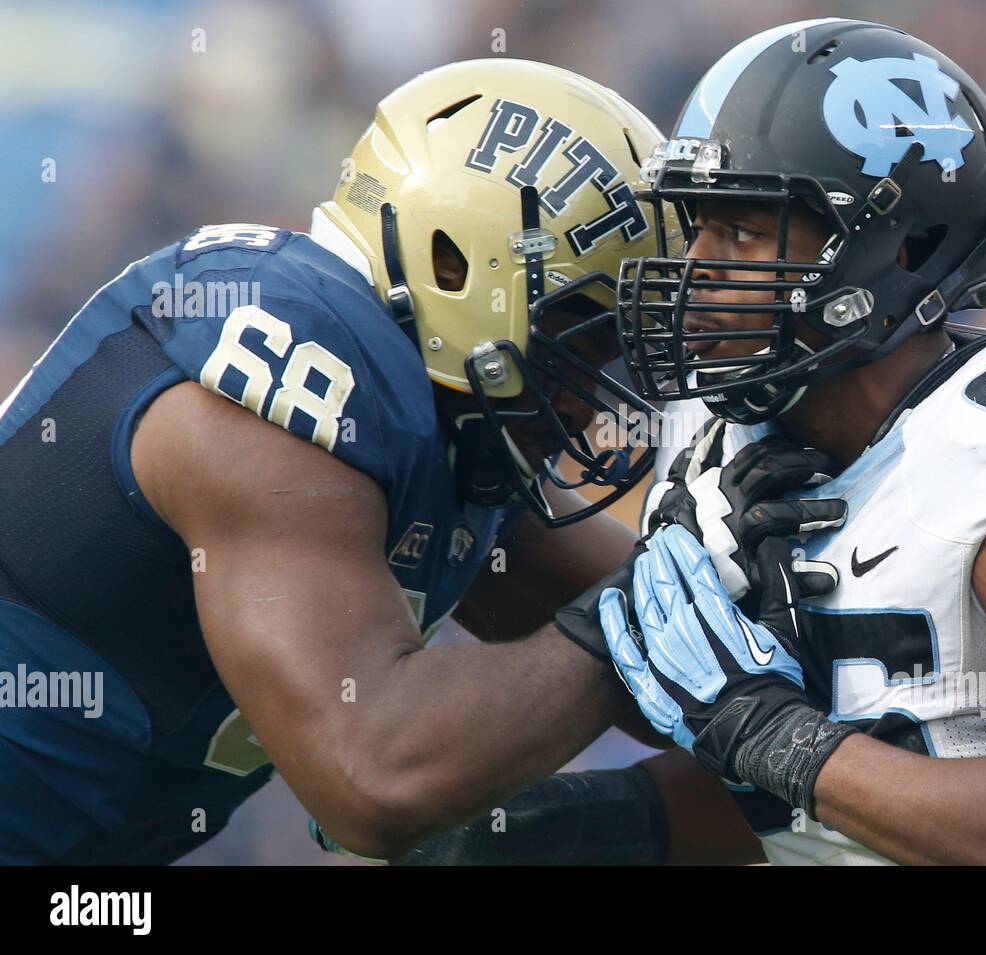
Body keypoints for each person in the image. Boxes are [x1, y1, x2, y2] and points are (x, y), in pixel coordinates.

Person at [367, 19, 986, 866]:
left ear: (896, 249)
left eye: (740, 228)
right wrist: (575, 821)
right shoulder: (727, 441)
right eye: (697, 228)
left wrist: (780, 739)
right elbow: (818, 799)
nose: (697, 272)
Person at [0, 58, 679, 864]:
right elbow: (376, 774)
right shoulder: (292, 363)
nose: (599, 391)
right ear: (454, 264)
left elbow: (660, 657)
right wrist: (660, 611)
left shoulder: (443, 410)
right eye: (586, 327)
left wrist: (743, 579)